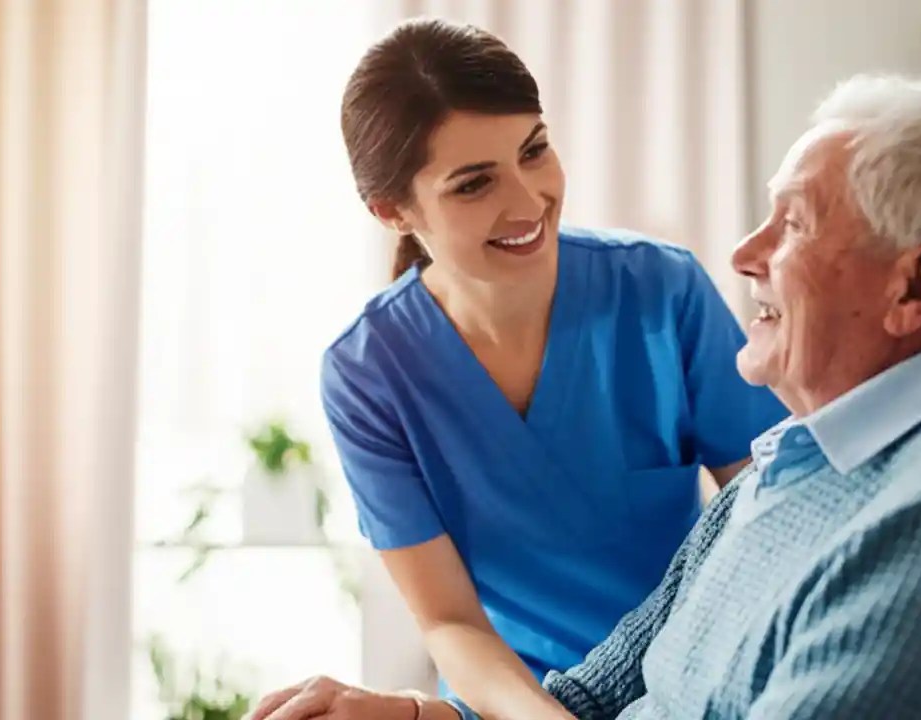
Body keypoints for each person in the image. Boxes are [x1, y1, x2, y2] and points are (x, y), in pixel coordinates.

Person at [250, 18, 784, 720]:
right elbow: (451, 623)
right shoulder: (369, 372)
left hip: (695, 685)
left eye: (535, 151)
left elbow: (776, 515)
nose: (529, 201)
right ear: (393, 210)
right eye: (474, 185)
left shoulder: (661, 291)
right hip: (515, 705)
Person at [538, 75, 921, 718]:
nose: (744, 253)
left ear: (916, 288)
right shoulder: (799, 456)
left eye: (793, 224)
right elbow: (593, 697)